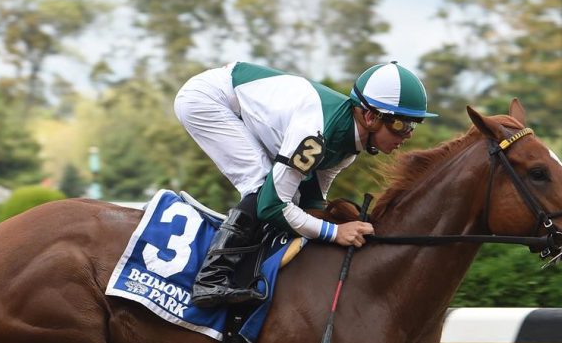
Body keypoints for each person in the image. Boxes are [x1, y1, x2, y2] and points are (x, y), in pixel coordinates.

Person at [174, 60, 436, 308]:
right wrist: (336, 233)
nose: (408, 135)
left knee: (292, 197)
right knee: (261, 185)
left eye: (414, 124)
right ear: (370, 117)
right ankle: (211, 279)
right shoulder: (316, 132)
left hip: (242, 105)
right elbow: (271, 206)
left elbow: (312, 201)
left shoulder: (347, 147)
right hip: (208, 100)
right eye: (401, 124)